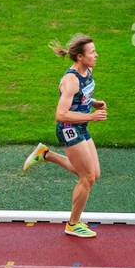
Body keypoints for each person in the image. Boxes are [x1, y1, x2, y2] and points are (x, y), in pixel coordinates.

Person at [21, 34, 106, 238]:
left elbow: (83, 95)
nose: (96, 55)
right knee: (87, 177)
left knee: (94, 173)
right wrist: (92, 116)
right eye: (92, 52)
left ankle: (46, 154)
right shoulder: (70, 80)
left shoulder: (88, 71)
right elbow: (61, 114)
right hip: (69, 128)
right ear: (79, 57)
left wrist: (93, 103)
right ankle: (73, 223)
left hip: (81, 125)